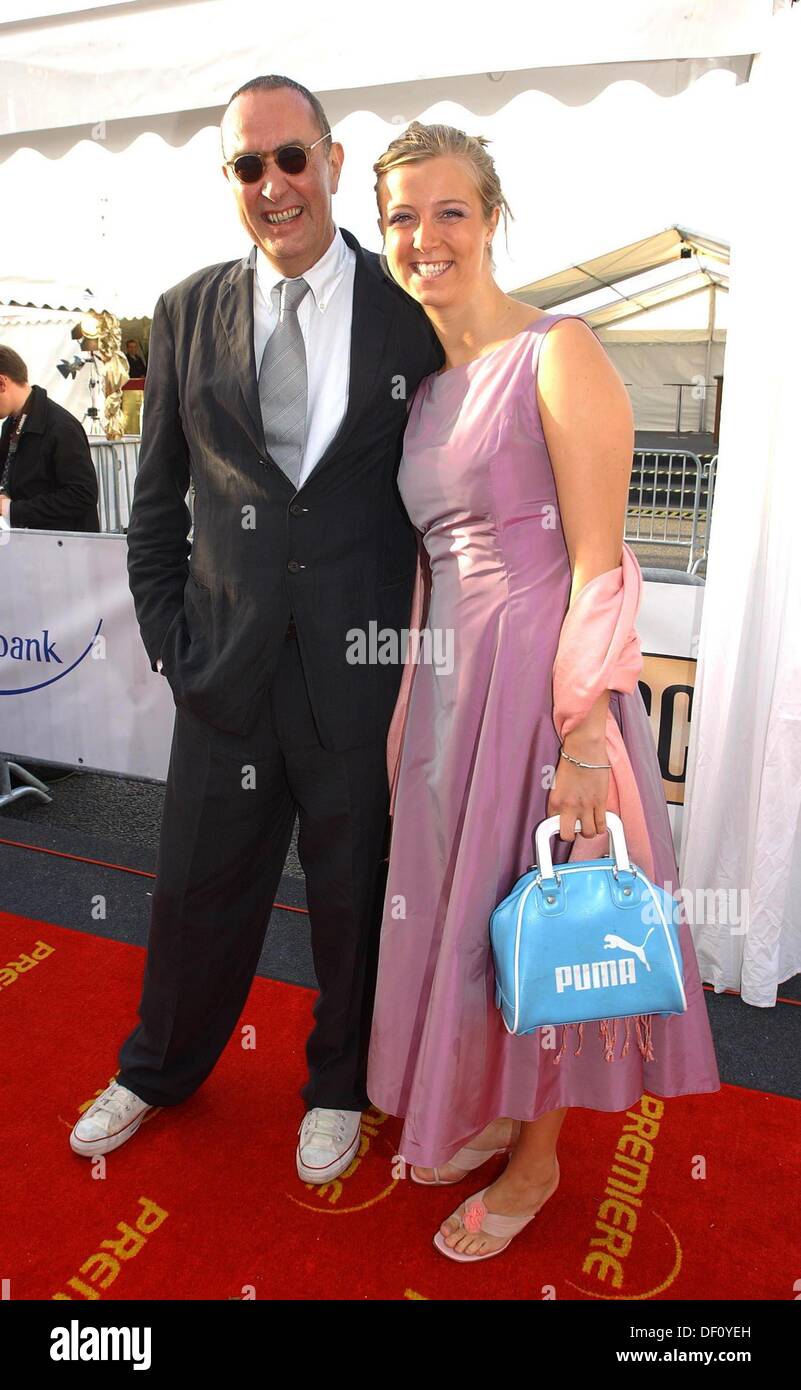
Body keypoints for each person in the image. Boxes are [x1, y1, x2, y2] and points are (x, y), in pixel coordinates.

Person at [68, 76, 443, 1182]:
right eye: (247, 166)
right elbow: (157, 503)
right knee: (192, 891)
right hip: (222, 673)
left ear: (332, 160)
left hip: (355, 677)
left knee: (354, 898)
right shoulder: (184, 310)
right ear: (229, 181)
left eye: (290, 159)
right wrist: (171, 640)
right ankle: (157, 1066)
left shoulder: (410, 312)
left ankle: (337, 1083)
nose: (273, 185)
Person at [366, 122, 721, 1262]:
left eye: (450, 210)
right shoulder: (424, 392)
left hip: (542, 692)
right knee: (479, 928)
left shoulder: (558, 350)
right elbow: (428, 565)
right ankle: (490, 1109)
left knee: (557, 925)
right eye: (404, 217)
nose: (427, 237)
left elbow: (602, 562)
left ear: (493, 216)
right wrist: (404, 713)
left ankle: (539, 1155)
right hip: (448, 696)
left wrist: (581, 731)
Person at [0, 345, 100, 532]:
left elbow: (82, 495)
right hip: (31, 545)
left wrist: (14, 510)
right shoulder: (11, 423)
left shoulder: (61, 426)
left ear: (2, 383)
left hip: (64, 549)